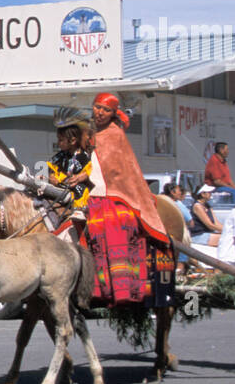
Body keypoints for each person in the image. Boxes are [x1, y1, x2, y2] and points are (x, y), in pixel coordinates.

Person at [82, 92, 175, 304]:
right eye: (97, 107)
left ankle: (120, 288)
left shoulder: (114, 135)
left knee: (112, 222)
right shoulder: (88, 132)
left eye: (105, 110)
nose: (100, 113)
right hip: (90, 191)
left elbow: (117, 174)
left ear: (114, 113)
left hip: (114, 194)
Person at [48, 110, 93, 236]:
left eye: (61, 140)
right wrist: (52, 177)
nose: (58, 142)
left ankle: (79, 210)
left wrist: (80, 177)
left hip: (77, 187)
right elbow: (52, 167)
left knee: (80, 188)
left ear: (73, 140)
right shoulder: (60, 155)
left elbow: (90, 171)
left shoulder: (84, 156)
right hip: (62, 186)